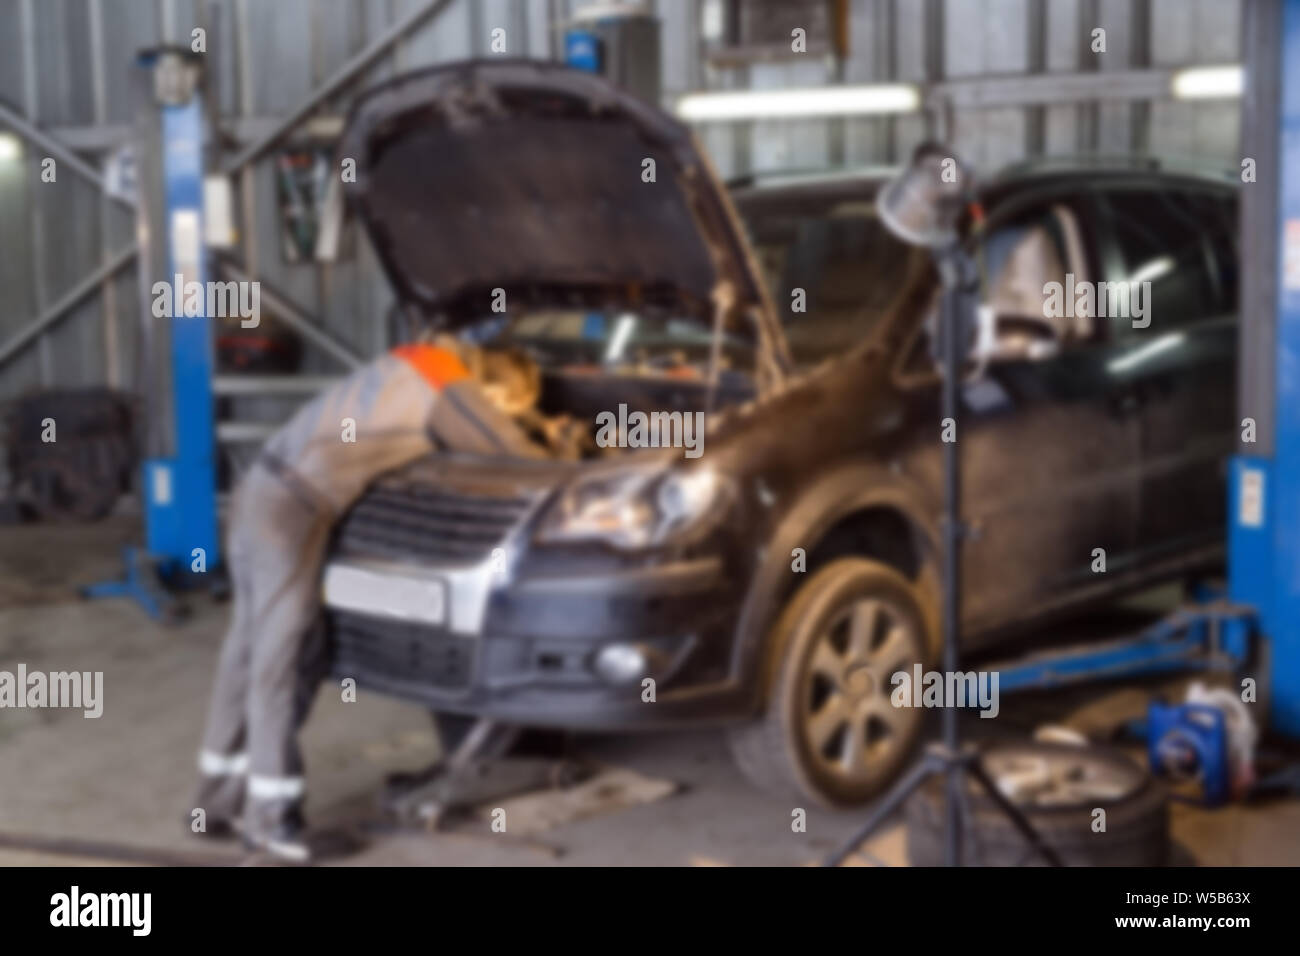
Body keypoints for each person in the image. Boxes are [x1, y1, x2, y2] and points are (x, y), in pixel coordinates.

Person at [192, 337, 546, 861]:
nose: (501, 410)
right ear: (495, 384)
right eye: (509, 404)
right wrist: (561, 450)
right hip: (292, 513)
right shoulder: (450, 384)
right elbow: (512, 455)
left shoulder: (411, 362)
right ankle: (270, 824)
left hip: (257, 495)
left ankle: (214, 806)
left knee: (245, 655)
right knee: (281, 665)